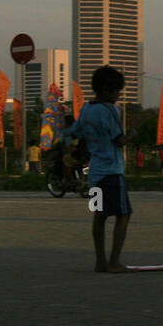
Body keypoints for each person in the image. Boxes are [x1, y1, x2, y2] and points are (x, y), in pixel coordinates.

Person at [63, 66, 133, 273]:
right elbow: (119, 140)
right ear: (105, 90)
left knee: (99, 215)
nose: (118, 95)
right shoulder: (109, 111)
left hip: (95, 173)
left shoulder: (86, 110)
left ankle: (100, 261)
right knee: (123, 214)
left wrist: (67, 153)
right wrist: (133, 136)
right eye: (116, 91)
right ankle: (114, 261)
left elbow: (72, 133)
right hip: (112, 172)